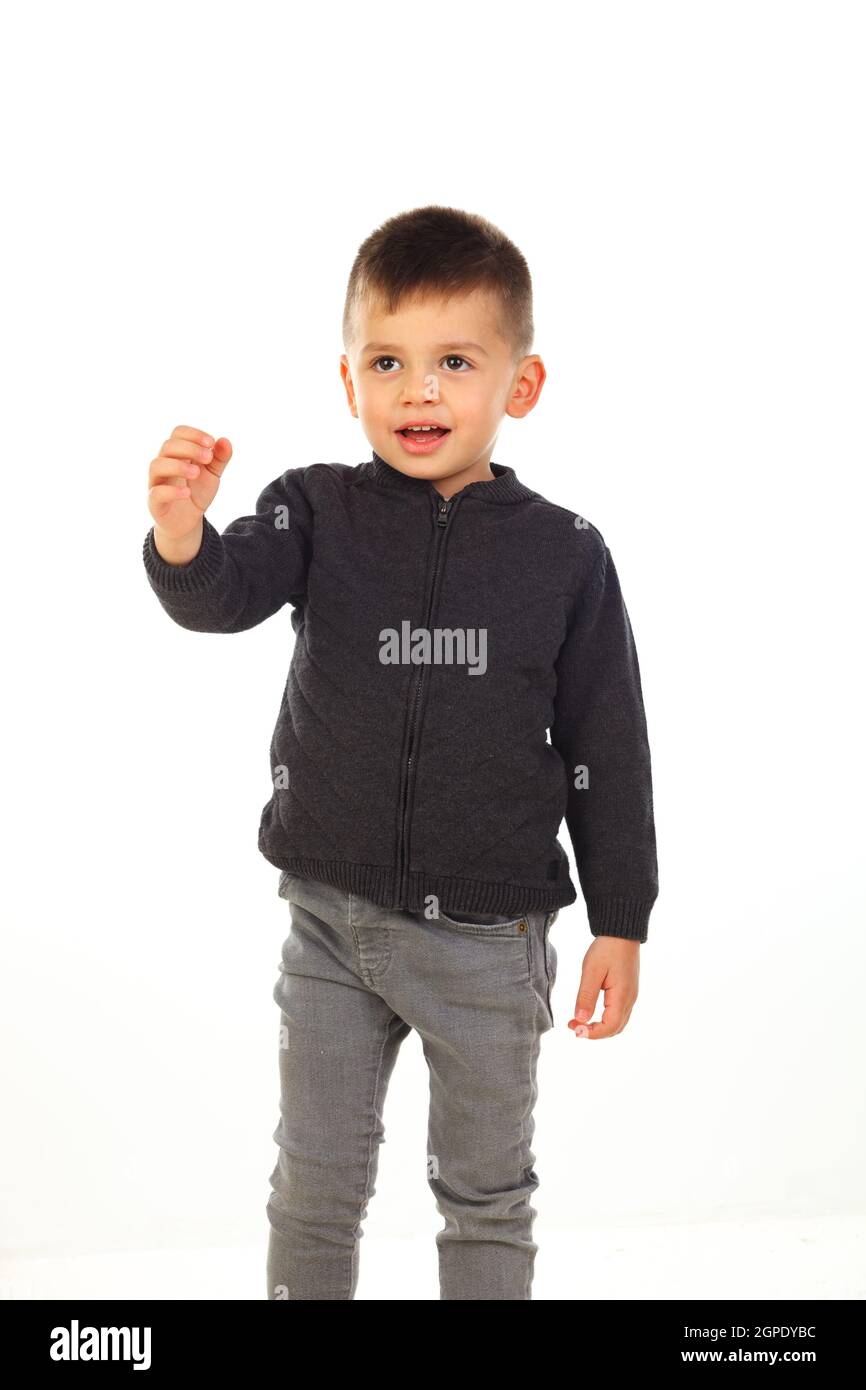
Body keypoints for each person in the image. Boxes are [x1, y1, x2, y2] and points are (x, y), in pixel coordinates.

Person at [142, 204, 660, 1300]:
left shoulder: (564, 555)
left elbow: (605, 742)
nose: (418, 390)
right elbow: (221, 596)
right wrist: (183, 534)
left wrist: (620, 917)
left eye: (453, 362)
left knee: (483, 1194)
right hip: (329, 921)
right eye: (388, 361)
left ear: (517, 385)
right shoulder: (312, 511)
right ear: (348, 382)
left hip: (487, 936)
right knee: (314, 1183)